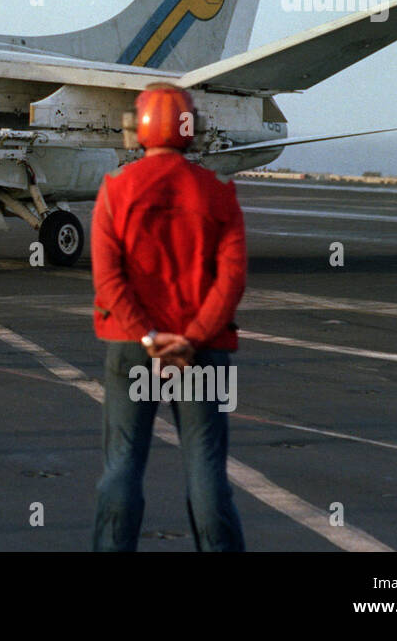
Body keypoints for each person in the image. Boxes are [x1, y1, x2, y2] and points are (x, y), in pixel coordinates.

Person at [91, 82, 246, 552]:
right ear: (190, 128)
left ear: (138, 129)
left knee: (121, 468)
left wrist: (148, 338)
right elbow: (232, 280)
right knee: (206, 473)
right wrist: (192, 339)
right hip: (203, 353)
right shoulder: (219, 192)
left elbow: (108, 280)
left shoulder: (116, 189)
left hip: (131, 350)